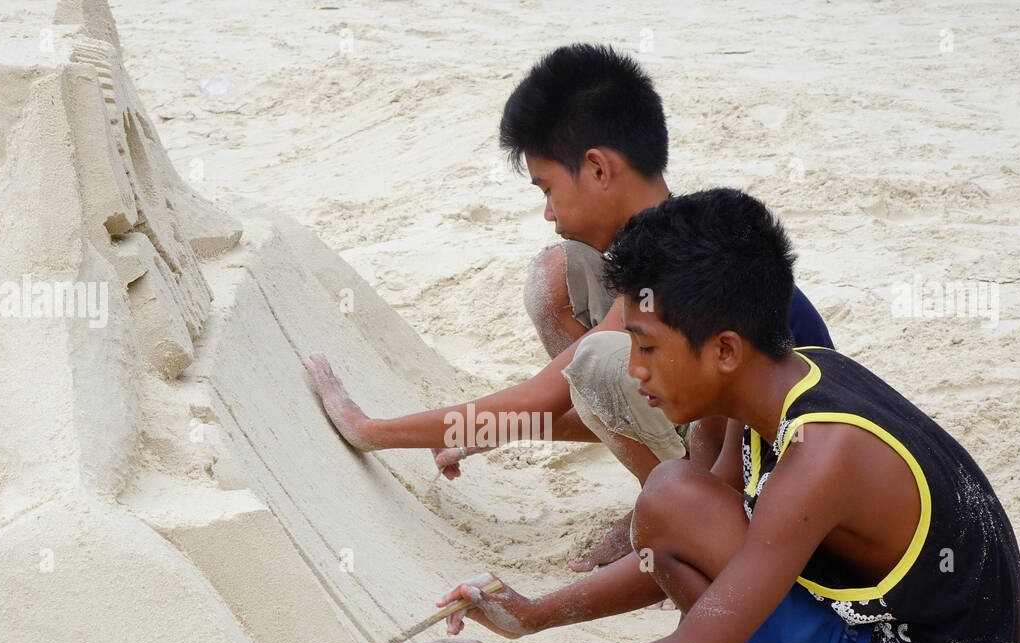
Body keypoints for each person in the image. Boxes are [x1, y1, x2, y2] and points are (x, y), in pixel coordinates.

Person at [404, 189, 1020, 643]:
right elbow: (681, 542)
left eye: (646, 346)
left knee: (674, 495)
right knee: (673, 498)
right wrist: (533, 615)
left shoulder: (821, 458)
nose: (637, 369)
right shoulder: (777, 384)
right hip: (927, 632)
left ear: (725, 350)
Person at [306, 44, 832, 571]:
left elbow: (548, 394)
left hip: (773, 465)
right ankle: (663, 490)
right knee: (556, 278)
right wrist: (488, 429)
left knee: (598, 363)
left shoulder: (676, 275)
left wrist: (371, 430)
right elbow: (550, 399)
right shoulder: (678, 232)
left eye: (549, 188)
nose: (548, 212)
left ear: (599, 169)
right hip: (730, 421)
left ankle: (676, 517)